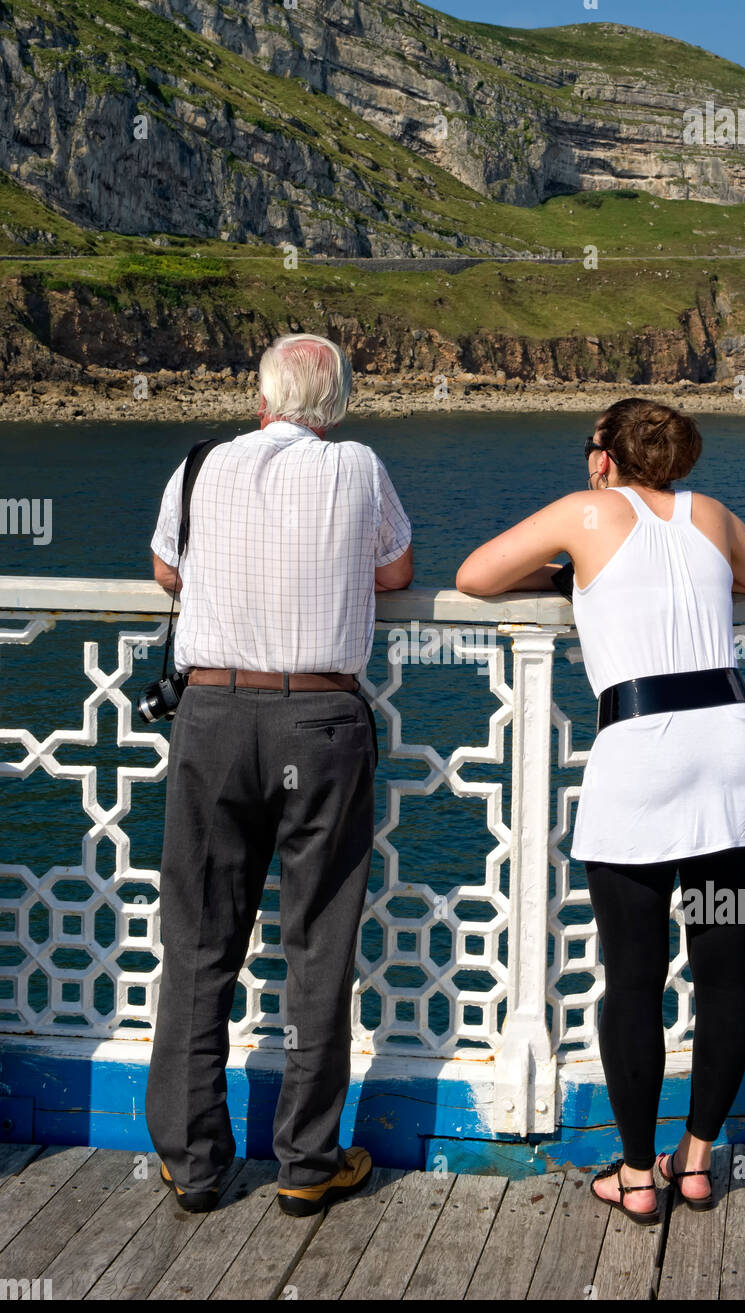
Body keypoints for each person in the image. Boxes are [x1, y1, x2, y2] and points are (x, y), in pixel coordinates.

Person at [456, 396, 745, 1223]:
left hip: (641, 754)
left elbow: (475, 576)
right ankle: (698, 1162)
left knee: (633, 977)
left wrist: (571, 575)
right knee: (722, 965)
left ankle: (636, 1175)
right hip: (730, 752)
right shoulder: (709, 513)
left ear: (604, 455)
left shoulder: (583, 513)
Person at [146, 333, 413, 1216]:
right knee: (317, 937)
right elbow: (397, 570)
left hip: (214, 714)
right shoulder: (360, 467)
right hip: (320, 719)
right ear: (333, 407)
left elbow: (165, 571)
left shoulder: (199, 466)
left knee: (197, 939)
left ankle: (193, 1161)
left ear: (258, 397)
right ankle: (305, 1160)